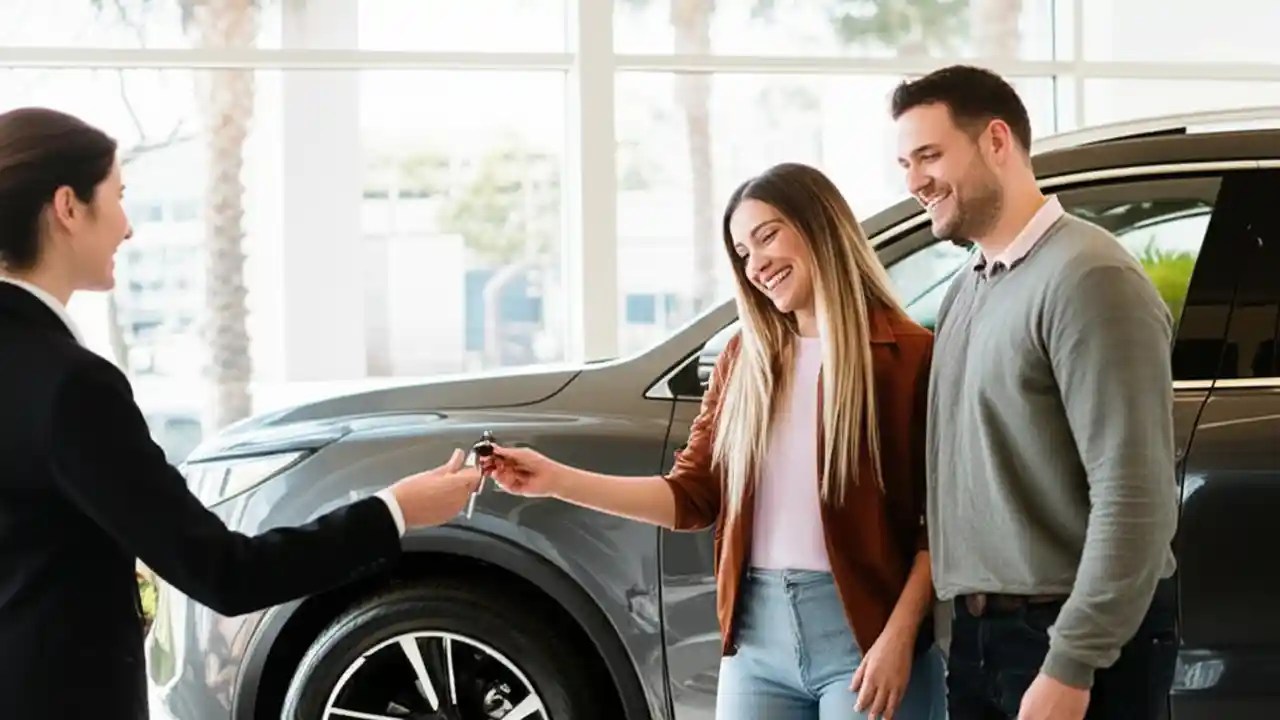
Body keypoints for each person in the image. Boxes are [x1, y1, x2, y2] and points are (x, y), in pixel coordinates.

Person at [0, 107, 483, 720]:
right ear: (68, 207)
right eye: (118, 197)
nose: (128, 228)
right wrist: (396, 511)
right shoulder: (72, 387)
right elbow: (225, 574)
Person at [482, 162, 946, 720]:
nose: (757, 265)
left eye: (768, 235)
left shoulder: (911, 357)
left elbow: (941, 526)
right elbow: (692, 497)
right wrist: (556, 480)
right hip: (755, 646)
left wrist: (899, 640)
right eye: (743, 253)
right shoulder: (742, 362)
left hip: (869, 639)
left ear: (821, 224)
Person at [890, 65, 1179, 720]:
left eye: (930, 155)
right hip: (980, 639)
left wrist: (1072, 662)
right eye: (905, 163)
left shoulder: (1090, 278)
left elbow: (1135, 497)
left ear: (997, 141)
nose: (913, 182)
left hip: (1067, 641)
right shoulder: (969, 286)